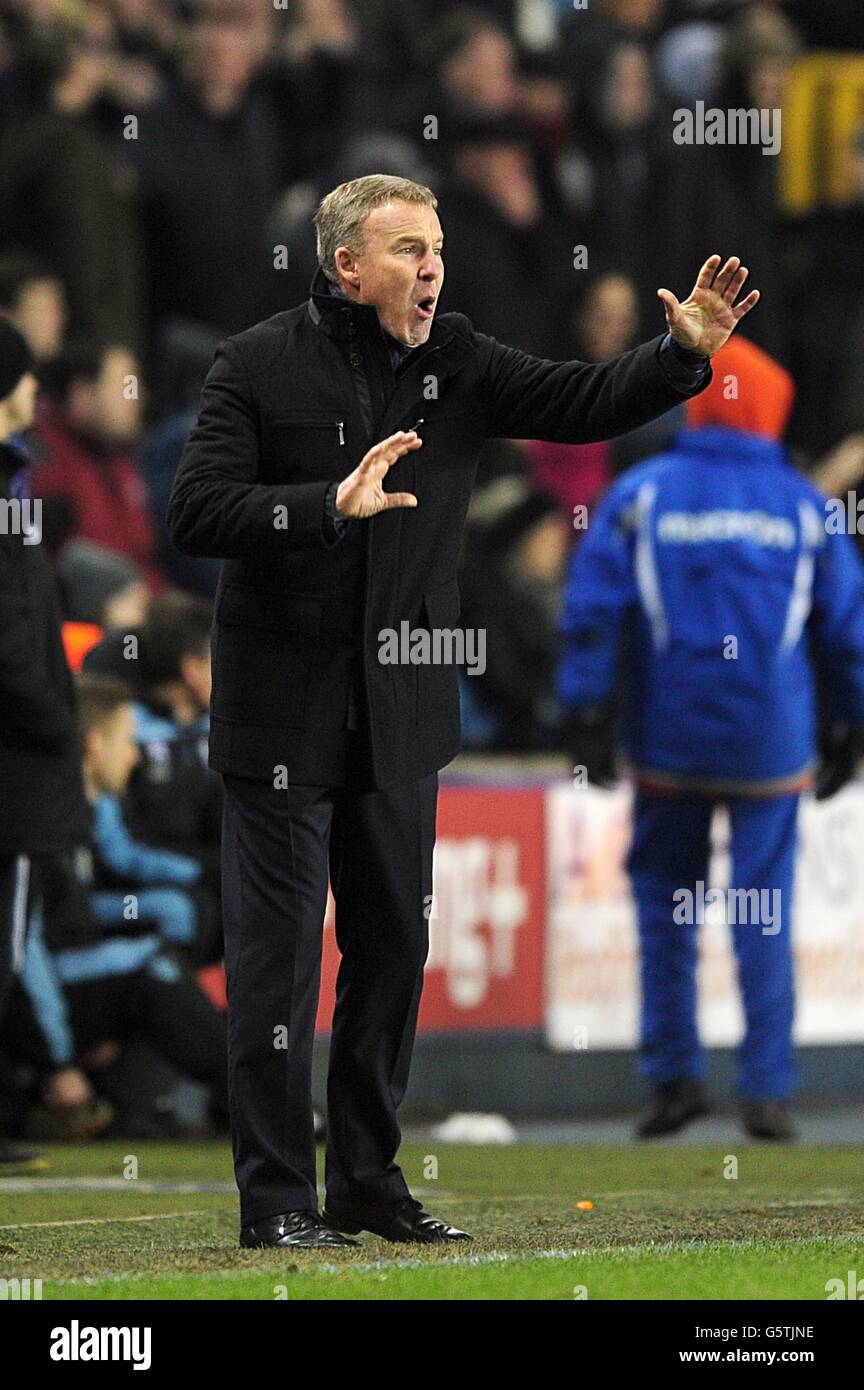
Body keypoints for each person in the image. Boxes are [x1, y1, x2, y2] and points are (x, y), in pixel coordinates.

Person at [167, 172, 757, 1248]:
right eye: (405, 249)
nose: (431, 265)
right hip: (280, 719)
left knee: (390, 954)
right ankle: (277, 1199)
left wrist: (680, 358)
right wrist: (322, 505)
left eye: (436, 246)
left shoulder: (462, 362)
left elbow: (583, 398)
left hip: (400, 713)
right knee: (278, 966)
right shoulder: (253, 363)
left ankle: (365, 1182)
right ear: (346, 265)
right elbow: (196, 510)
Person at [557, 335, 864, 1142]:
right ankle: (767, 1091)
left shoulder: (643, 494)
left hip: (668, 737)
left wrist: (585, 714)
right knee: (764, 909)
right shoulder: (806, 506)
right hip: (771, 740)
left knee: (665, 907)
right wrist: (848, 726)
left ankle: (673, 1083)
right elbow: (845, 631)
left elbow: (594, 610)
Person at [0, 313, 93, 1169]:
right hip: (17, 767)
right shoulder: (6, 496)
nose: (38, 392)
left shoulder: (15, 486)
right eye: (26, 377)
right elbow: (15, 638)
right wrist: (53, 724)